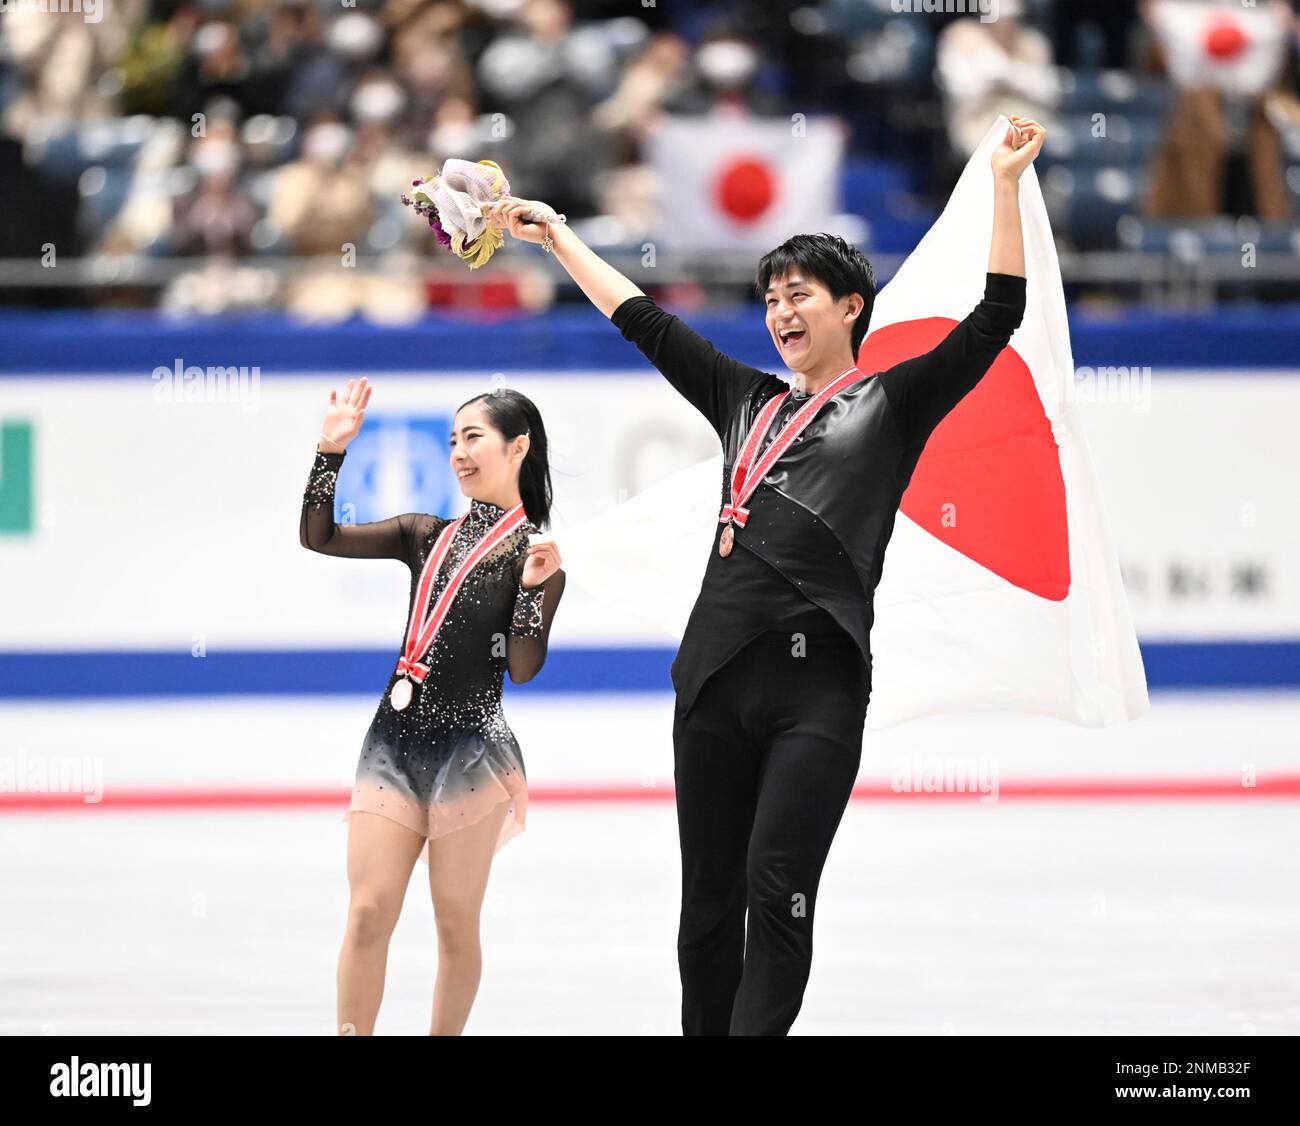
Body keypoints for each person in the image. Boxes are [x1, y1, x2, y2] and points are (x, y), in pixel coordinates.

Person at [487, 115, 1045, 1035]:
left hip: (817, 689)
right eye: (772, 298)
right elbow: (645, 321)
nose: (782, 312)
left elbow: (995, 318)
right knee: (706, 908)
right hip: (710, 679)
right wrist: (557, 235)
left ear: (850, 306)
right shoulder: (744, 399)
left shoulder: (892, 404)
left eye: (801, 295)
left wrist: (1005, 186)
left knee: (776, 888)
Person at [300, 379, 566, 1035]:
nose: (458, 453)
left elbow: (523, 668)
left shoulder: (535, 554)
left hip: (470, 754)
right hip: (393, 742)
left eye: (473, 437)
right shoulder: (425, 534)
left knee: (454, 923)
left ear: (518, 447)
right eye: (453, 440)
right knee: (367, 911)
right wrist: (328, 453)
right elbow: (320, 537)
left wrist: (531, 592)